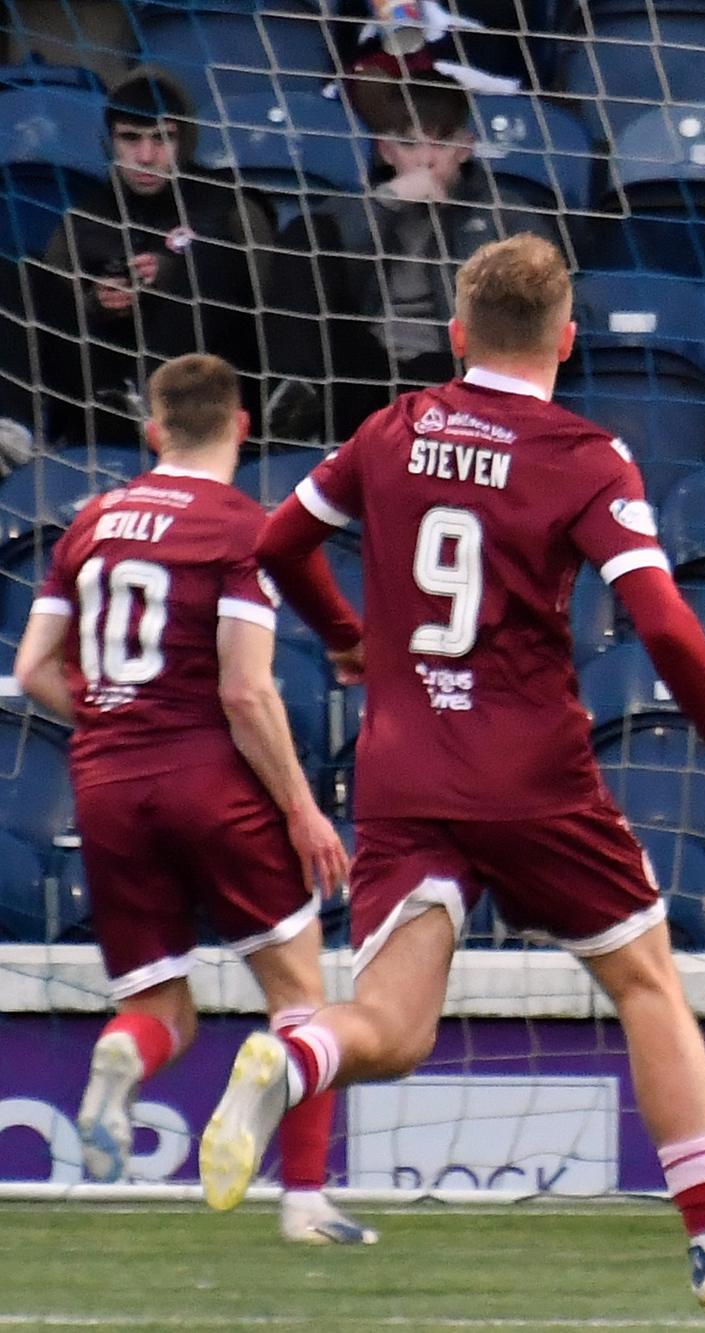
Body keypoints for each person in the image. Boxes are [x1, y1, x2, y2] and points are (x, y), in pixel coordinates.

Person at [201, 235, 705, 1309]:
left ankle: (293, 1054)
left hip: (402, 772)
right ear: (567, 339)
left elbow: (275, 540)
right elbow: (663, 621)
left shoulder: (395, 427)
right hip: (532, 778)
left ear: (455, 335)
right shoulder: (584, 455)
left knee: (389, 1032)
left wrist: (346, 638)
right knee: (647, 985)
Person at [9, 354, 369, 1244]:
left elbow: (30, 671)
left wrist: (112, 719)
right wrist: (300, 807)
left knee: (163, 1006)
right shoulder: (244, 526)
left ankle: (122, 1055)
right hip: (209, 777)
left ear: (151, 430)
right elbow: (247, 691)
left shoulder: (89, 521)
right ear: (243, 427)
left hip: (104, 782)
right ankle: (306, 1203)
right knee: (298, 993)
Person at [262, 74, 559, 442]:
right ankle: (298, 388)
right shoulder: (354, 209)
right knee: (304, 237)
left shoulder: (507, 215)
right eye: (408, 144)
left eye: (441, 142)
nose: (426, 158)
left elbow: (549, 297)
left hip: (457, 363)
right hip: (364, 368)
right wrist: (388, 201)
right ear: (386, 152)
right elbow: (328, 262)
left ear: (465, 148)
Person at [26, 69, 272, 445]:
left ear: (184, 141)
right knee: (22, 273)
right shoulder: (83, 221)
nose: (146, 156)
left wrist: (173, 276)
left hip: (208, 390)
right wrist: (96, 302)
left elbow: (265, 302)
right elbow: (56, 317)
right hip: (106, 395)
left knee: (213, 253)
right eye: (130, 138)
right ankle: (13, 430)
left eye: (162, 139)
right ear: (110, 142)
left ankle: (149, 391)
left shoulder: (228, 204)